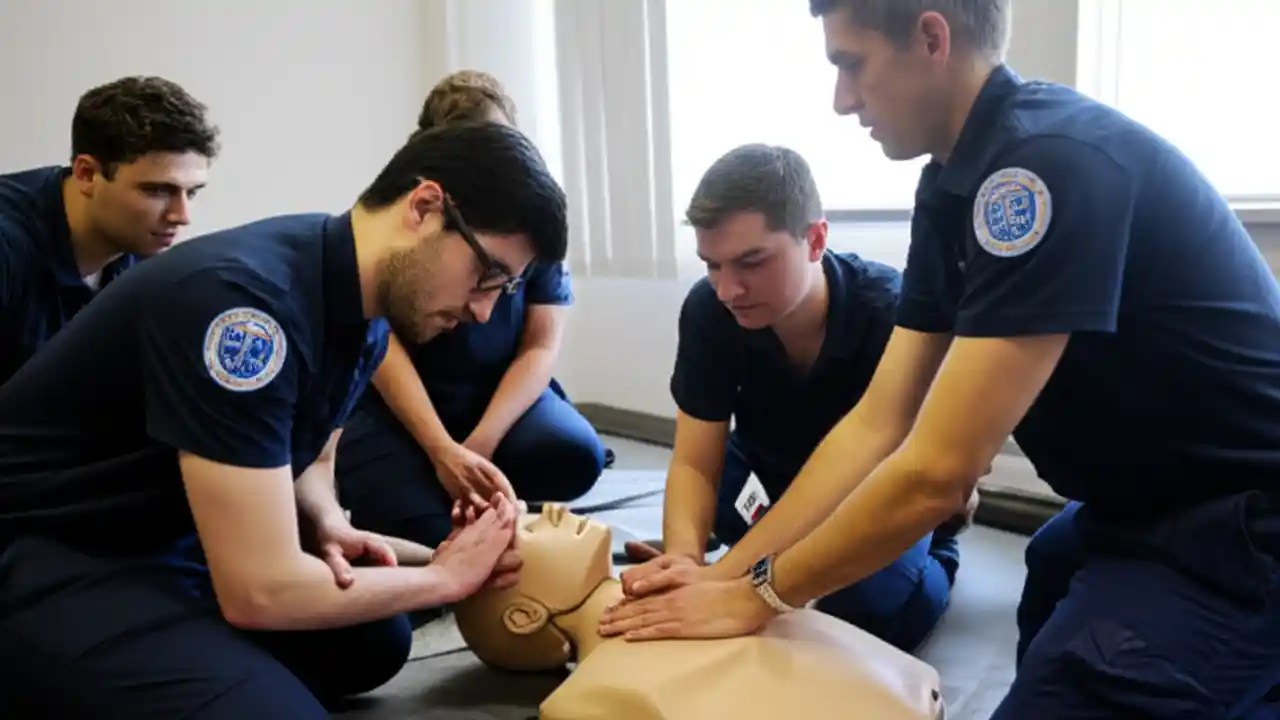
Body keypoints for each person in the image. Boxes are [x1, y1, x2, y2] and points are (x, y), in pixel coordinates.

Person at [600, 1, 1280, 717]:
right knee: (1050, 586)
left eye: (852, 64)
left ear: (931, 37)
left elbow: (937, 474)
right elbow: (876, 424)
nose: (842, 100)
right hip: (1135, 503)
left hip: (1243, 517)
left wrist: (759, 593)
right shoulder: (951, 187)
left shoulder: (1043, 168)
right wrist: (725, 579)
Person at [0, 121, 566, 718]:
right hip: (47, 550)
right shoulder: (243, 310)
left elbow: (310, 454)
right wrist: (445, 580)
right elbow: (259, 591)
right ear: (424, 208)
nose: (485, 311)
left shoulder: (361, 310)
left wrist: (326, 519)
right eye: (487, 276)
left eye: (506, 289)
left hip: (156, 532)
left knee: (373, 641)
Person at [621, 143, 965, 652]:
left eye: (752, 262)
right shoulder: (709, 310)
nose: (728, 290)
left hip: (867, 491)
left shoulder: (890, 315)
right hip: (768, 474)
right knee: (719, 509)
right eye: (712, 265)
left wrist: (721, 581)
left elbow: (881, 461)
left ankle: (940, 548)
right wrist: (683, 562)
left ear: (815, 240)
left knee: (869, 610)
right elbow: (694, 461)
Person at [337, 69, 605, 550]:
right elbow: (379, 345)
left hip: (494, 396)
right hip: (401, 406)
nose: (482, 310)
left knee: (573, 455)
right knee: (429, 536)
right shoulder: (399, 225)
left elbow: (540, 346)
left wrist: (479, 446)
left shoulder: (531, 226)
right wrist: (440, 449)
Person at [455, 504, 944, 720]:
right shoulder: (586, 702)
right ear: (525, 617)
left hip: (904, 687)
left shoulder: (724, 590)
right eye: (529, 531)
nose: (554, 510)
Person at [0, 75, 218, 385]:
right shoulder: (9, 245)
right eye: (157, 190)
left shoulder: (145, 253)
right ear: (87, 174)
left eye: (191, 192)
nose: (181, 217)